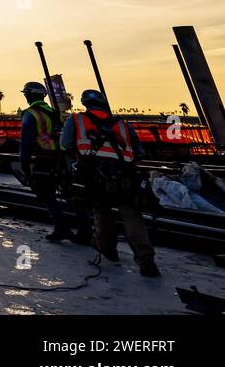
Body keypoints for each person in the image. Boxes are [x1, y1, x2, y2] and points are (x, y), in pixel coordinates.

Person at [61, 90, 158, 277]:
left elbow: (66, 144)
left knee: (101, 213)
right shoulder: (123, 124)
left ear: (84, 103)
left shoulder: (76, 121)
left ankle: (108, 250)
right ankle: (146, 260)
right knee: (132, 216)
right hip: (125, 175)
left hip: (94, 175)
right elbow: (139, 152)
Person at [19, 81, 79, 242]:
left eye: (26, 94)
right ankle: (84, 228)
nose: (25, 97)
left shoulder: (30, 114)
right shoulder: (54, 112)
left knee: (47, 194)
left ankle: (61, 227)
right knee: (68, 194)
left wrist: (24, 165)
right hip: (61, 158)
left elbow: (25, 142)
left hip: (44, 159)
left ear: (30, 95)